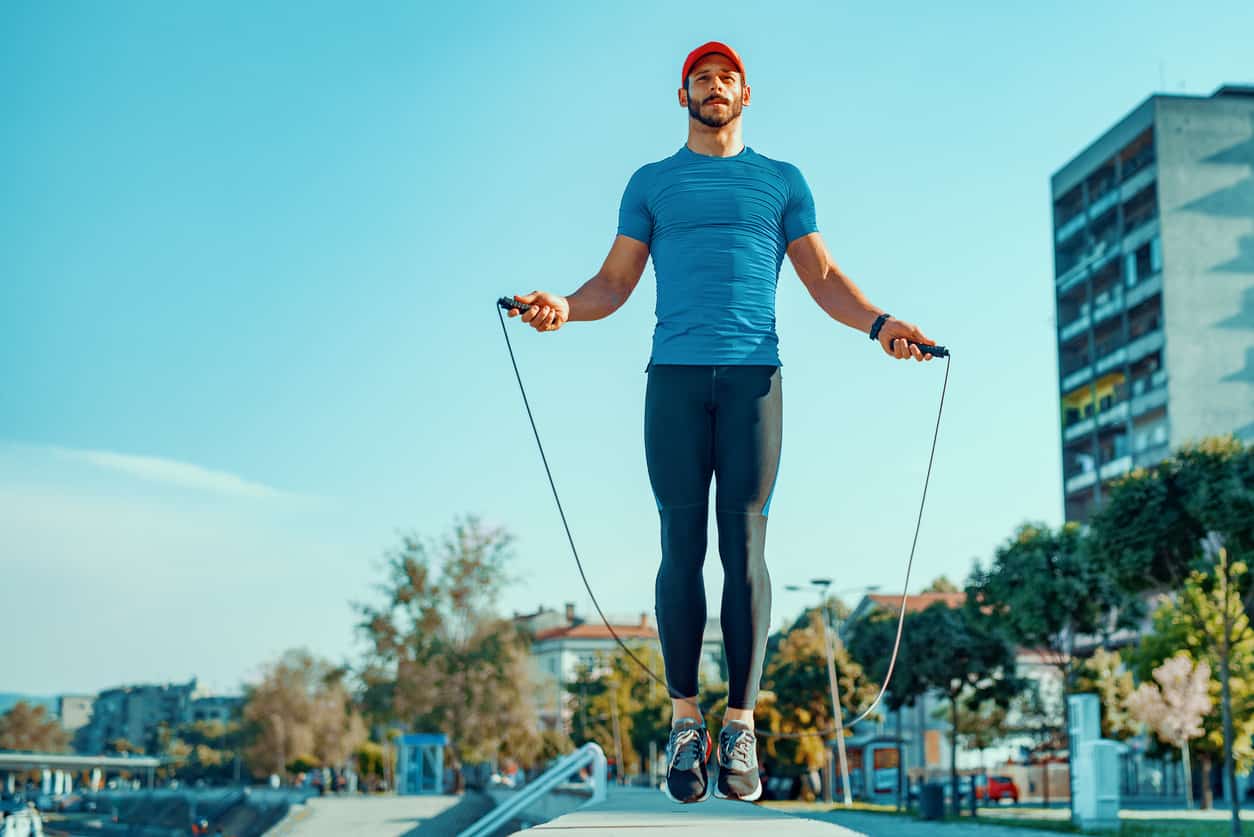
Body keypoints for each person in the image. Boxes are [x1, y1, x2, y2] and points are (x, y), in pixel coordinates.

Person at [505, 40, 939, 805]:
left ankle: (737, 724)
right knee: (681, 543)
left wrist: (881, 324)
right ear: (683, 97)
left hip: (753, 382)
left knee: (744, 547)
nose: (714, 86)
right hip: (672, 380)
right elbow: (612, 281)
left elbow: (825, 278)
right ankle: (684, 721)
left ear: (746, 94)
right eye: (701, 78)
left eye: (726, 78)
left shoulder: (781, 182)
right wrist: (564, 309)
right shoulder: (651, 183)